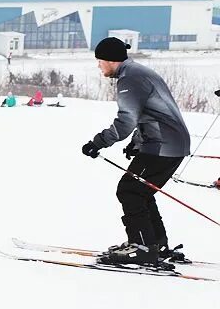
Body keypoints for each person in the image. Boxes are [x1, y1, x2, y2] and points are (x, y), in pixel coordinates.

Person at [81, 37, 191, 267]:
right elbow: (150, 113)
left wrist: (98, 142)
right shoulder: (136, 72)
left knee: (129, 191)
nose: (98, 66)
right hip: (166, 143)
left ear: (111, 60)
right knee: (139, 192)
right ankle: (155, 244)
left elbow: (127, 119)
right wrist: (137, 142)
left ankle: (141, 247)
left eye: (100, 61)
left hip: (164, 145)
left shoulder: (129, 78)